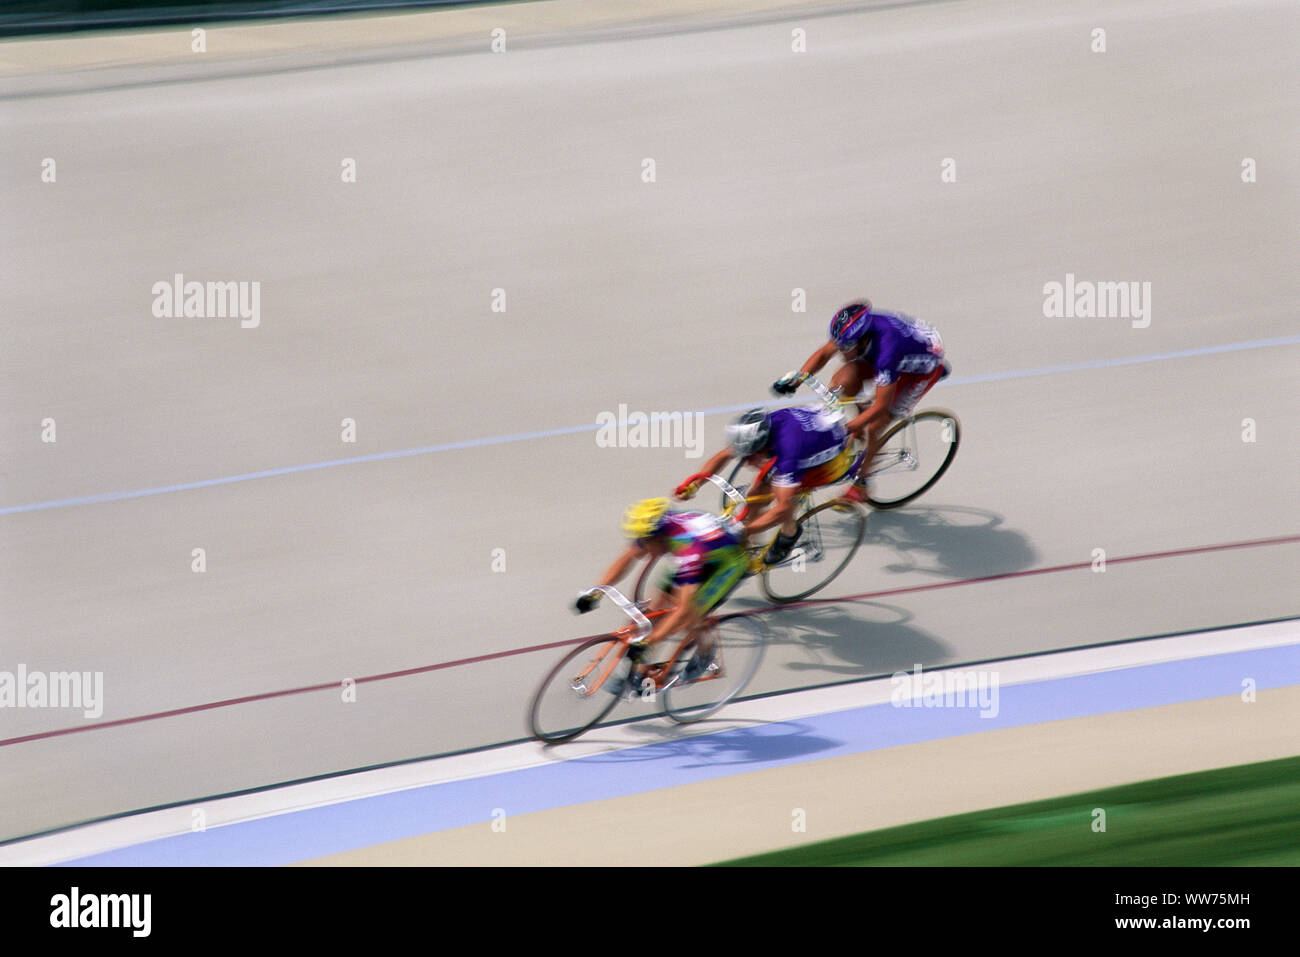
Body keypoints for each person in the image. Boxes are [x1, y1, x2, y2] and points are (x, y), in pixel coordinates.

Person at [772, 300, 949, 502]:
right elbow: (824, 353)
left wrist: (847, 428)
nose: (840, 350)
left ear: (864, 341)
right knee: (842, 382)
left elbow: (881, 407)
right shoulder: (852, 333)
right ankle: (859, 426)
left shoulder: (887, 354)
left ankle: (862, 483)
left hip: (921, 370)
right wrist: (796, 380)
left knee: (875, 426)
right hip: (906, 343)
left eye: (846, 347)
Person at [573, 498, 749, 686]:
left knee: (687, 615)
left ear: (659, 537)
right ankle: (639, 673)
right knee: (655, 610)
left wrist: (649, 642)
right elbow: (626, 558)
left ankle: (705, 650)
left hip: (726, 563)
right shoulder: (657, 534)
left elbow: (683, 610)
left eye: (645, 541)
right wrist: (596, 591)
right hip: (703, 548)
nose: (641, 546)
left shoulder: (688, 553)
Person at [676, 403, 854, 564]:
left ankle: (789, 533)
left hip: (829, 465)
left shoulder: (789, 455)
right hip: (810, 436)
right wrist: (696, 484)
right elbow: (725, 455)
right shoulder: (764, 427)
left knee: (781, 498)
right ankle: (747, 548)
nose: (746, 462)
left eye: (750, 457)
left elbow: (782, 508)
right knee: (757, 493)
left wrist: (743, 531)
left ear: (763, 447)